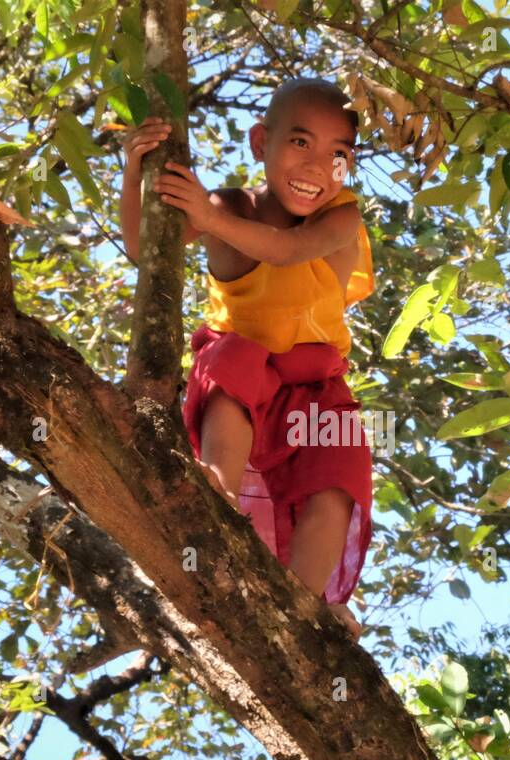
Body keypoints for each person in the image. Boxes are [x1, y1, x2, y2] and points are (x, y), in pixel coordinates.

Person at [119, 77, 376, 640]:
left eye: (339, 154)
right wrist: (135, 170)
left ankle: (306, 608)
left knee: (340, 468)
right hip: (244, 372)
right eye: (301, 143)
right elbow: (144, 250)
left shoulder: (341, 217)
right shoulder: (229, 206)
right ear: (261, 141)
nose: (317, 167)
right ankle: (216, 489)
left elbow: (286, 252)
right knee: (231, 358)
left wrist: (209, 221)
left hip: (314, 381)